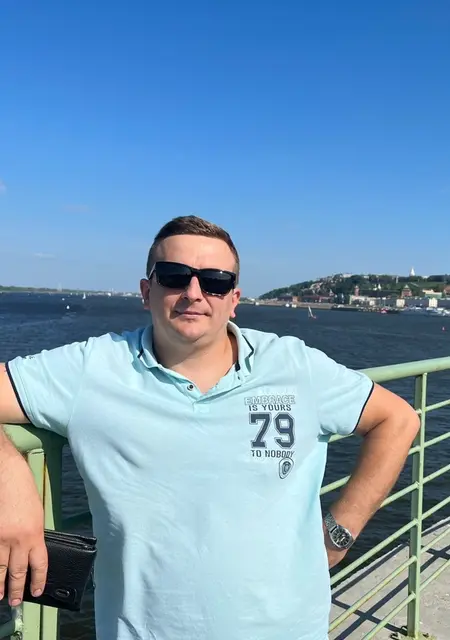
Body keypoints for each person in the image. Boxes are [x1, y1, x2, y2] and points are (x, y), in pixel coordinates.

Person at [0, 215, 419, 640]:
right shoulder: (94, 367)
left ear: (234, 299)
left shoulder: (295, 366)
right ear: (146, 291)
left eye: (215, 281)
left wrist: (338, 534)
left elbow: (397, 419)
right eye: (174, 276)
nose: (194, 293)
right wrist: (10, 478)